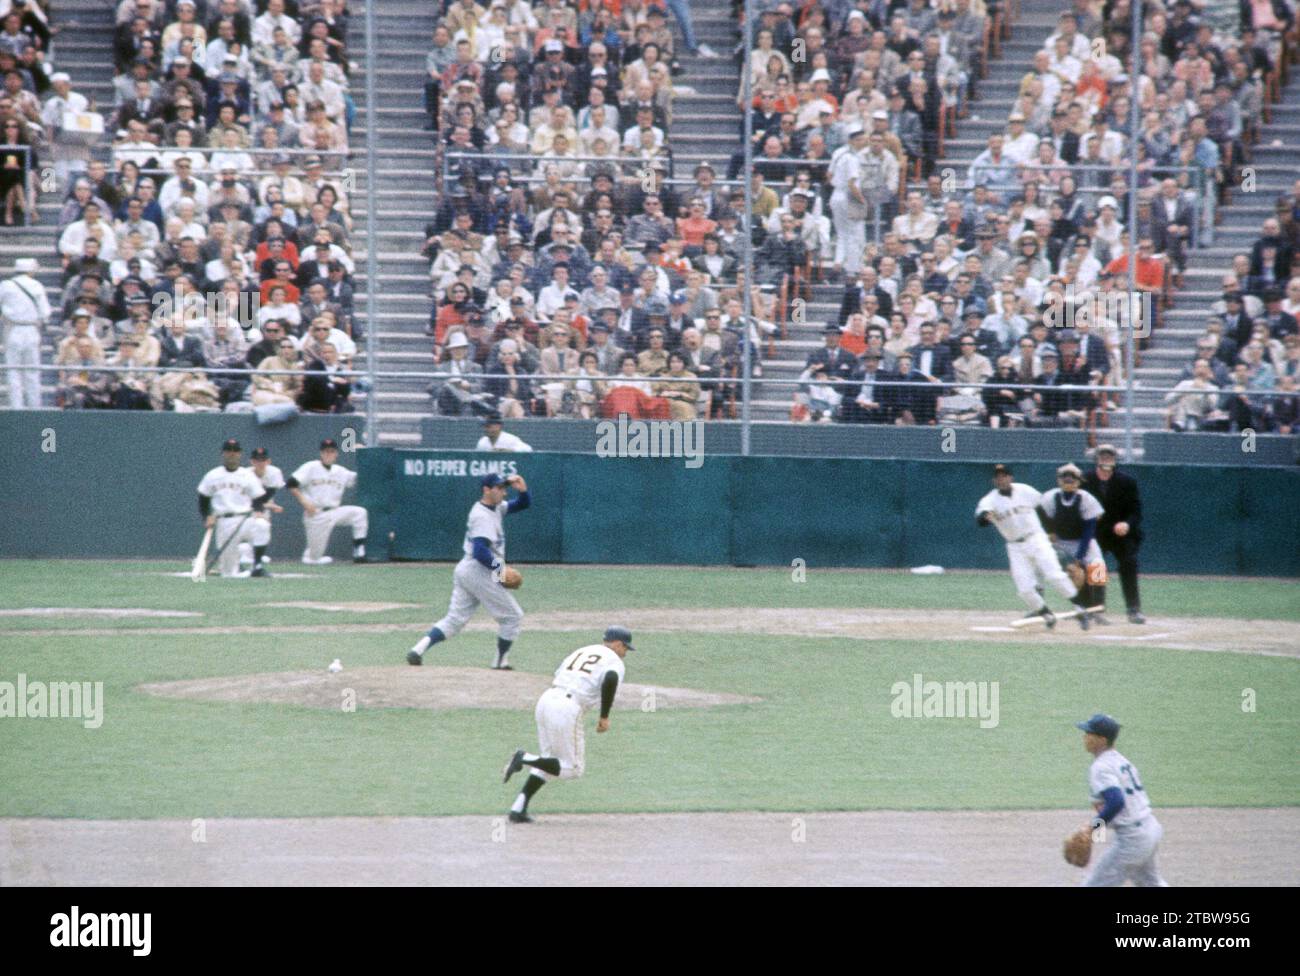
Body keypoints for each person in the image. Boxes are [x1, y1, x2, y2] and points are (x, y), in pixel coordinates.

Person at [501, 626, 634, 824]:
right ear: (616, 644)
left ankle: (518, 809)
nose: (625, 653)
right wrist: (604, 716)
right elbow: (611, 678)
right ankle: (524, 758)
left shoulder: (582, 650)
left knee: (549, 761)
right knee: (572, 768)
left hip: (547, 699)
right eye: (625, 647)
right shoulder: (614, 660)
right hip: (567, 707)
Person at [408, 472, 531, 671]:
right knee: (513, 616)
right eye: (499, 488)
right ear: (486, 490)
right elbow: (480, 551)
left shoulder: (497, 508)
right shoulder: (482, 515)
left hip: (467, 569)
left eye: (504, 488)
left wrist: (523, 490)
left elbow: (523, 504)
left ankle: (417, 650)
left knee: (454, 620)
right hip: (479, 569)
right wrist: (501, 571)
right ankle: (500, 662)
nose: (503, 491)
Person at [975, 463, 1090, 628]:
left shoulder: (1025, 490)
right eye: (998, 476)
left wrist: (1050, 531)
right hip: (1015, 546)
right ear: (994, 480)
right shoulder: (990, 500)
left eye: (1004, 475)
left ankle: (1080, 608)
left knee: (1054, 575)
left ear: (1011, 477)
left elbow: (1041, 509)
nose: (1001, 479)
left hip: (1036, 538)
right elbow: (980, 519)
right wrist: (986, 516)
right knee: (1025, 589)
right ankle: (1046, 615)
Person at [1073, 713, 1167, 887]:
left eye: (1089, 733)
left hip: (1132, 838)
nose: (1084, 737)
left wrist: (1093, 828)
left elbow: (1116, 802)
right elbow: (1107, 808)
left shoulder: (1100, 767)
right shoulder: (1121, 761)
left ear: (1101, 739)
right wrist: (1096, 834)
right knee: (1151, 883)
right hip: (1149, 829)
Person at [1081, 444, 1146, 624]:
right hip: (1096, 532)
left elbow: (1136, 511)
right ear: (1096, 459)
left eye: (1110, 457)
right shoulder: (1085, 480)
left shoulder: (1127, 481)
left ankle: (1134, 609)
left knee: (1129, 564)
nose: (1106, 461)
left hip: (1120, 534)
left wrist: (1126, 524)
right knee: (1096, 566)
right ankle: (1096, 609)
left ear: (1115, 460)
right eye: (1103, 457)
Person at [1038, 463, 1106, 627]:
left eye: (1072, 478)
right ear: (1059, 480)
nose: (1068, 481)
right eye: (1064, 477)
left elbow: (1089, 529)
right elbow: (1039, 513)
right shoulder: (1050, 497)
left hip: (1084, 541)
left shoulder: (1086, 499)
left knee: (1097, 566)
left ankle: (1096, 610)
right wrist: (1049, 531)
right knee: (1073, 574)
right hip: (1061, 541)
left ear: (1079, 481)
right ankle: (1081, 608)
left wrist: (1080, 556)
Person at [196, 438, 272, 579]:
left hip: (245, 519)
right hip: (225, 521)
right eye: (229, 451)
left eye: (235, 451)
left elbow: (258, 498)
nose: (232, 454)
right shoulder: (213, 475)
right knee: (229, 574)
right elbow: (203, 498)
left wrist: (259, 511)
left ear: (240, 454)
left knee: (262, 525)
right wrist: (207, 516)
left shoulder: (247, 475)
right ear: (223, 453)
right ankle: (238, 569)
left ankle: (257, 566)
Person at [285, 438, 368, 565]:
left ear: (336, 454)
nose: (328, 454)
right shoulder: (311, 467)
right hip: (316, 514)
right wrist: (304, 502)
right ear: (321, 453)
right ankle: (311, 555)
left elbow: (363, 477)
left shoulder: (341, 471)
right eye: (326, 451)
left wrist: (364, 454)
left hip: (335, 511)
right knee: (314, 559)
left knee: (360, 513)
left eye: (332, 451)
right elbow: (291, 483)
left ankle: (359, 550)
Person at [1, 256, 51, 408]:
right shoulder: (37, 285)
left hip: (13, 328)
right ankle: (34, 406)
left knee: (13, 369)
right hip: (31, 329)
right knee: (32, 370)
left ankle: (17, 406)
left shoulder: (6, 285)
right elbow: (45, 312)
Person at [238, 446, 286, 575]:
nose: (260, 463)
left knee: (262, 527)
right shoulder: (244, 474)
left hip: (260, 511)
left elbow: (267, 496)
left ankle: (257, 565)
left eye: (263, 460)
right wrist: (266, 507)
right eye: (257, 460)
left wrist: (264, 508)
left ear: (268, 461)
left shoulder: (274, 473)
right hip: (243, 513)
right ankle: (236, 559)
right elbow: (246, 500)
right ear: (252, 462)